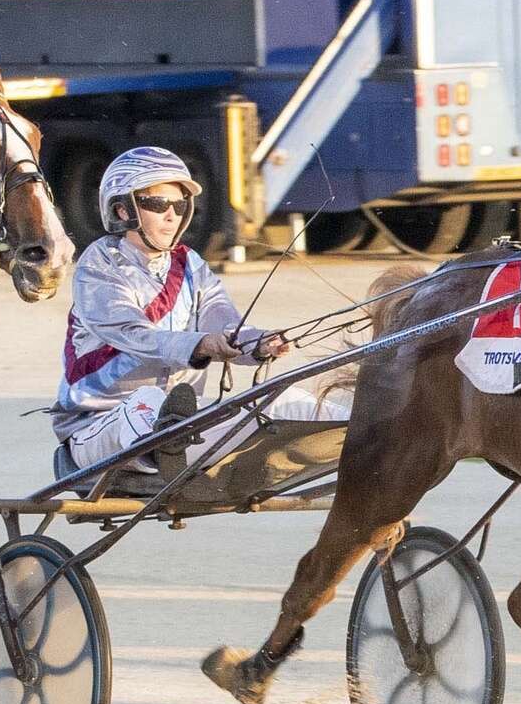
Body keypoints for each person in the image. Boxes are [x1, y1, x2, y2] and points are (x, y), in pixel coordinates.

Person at [51, 146, 348, 471]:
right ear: (123, 210)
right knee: (146, 405)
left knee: (288, 401)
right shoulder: (99, 265)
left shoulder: (190, 264)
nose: (171, 215)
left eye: (179, 205)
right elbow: (133, 335)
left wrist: (259, 343)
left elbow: (226, 329)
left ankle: (371, 434)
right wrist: (202, 344)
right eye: (157, 204)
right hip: (99, 428)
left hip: (183, 429)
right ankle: (174, 448)